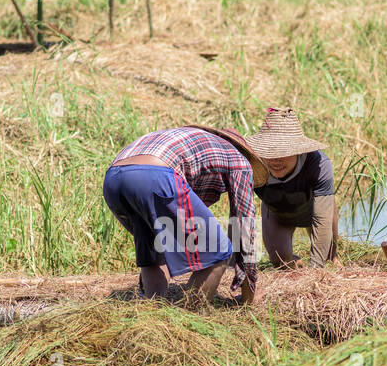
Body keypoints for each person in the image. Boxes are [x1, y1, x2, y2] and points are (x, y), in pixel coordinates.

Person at [102, 125, 266, 303]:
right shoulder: (240, 161)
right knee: (217, 251)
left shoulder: (192, 141)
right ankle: (189, 318)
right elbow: (243, 225)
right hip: (157, 176)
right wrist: (249, 292)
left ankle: (151, 309)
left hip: (113, 179)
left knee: (156, 244)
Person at [245, 107, 338, 269]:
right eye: (270, 151)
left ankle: (329, 260)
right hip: (277, 213)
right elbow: (240, 217)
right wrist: (238, 264)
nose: (276, 160)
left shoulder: (318, 165)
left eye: (283, 152)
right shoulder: (250, 167)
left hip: (315, 209)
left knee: (328, 259)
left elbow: (322, 220)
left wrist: (315, 271)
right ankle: (298, 264)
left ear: (298, 150)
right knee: (281, 264)